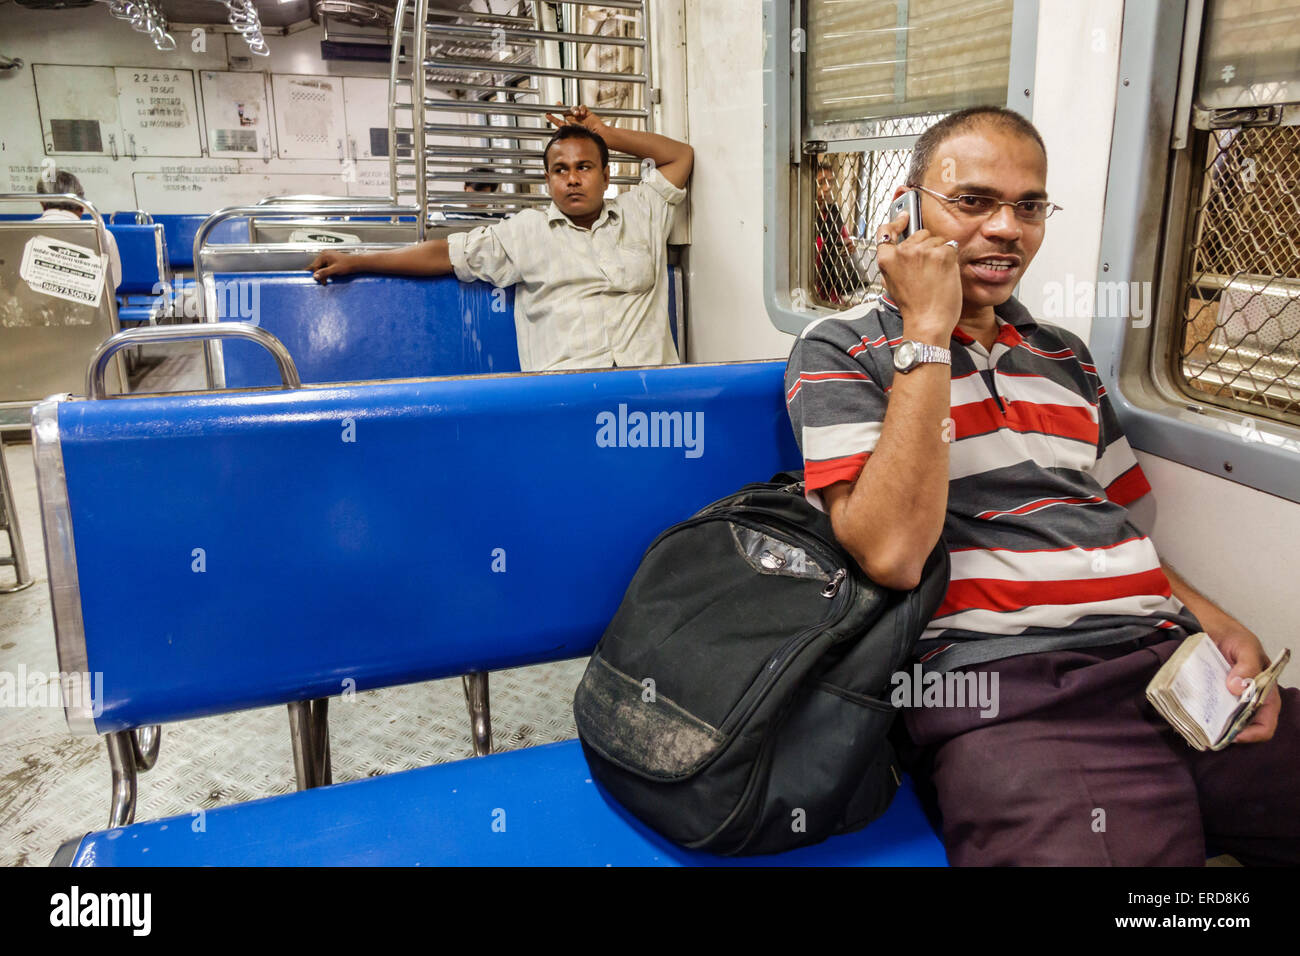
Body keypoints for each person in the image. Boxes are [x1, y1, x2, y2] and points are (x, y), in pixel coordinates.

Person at [784, 105, 1299, 866]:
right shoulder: (843, 348)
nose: (1006, 228)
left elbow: (1112, 523)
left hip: (1167, 663)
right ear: (908, 209)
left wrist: (1214, 622)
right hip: (1008, 690)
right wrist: (927, 332)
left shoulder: (1067, 357)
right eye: (972, 202)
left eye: (1029, 206)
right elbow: (891, 552)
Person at [308, 106, 694, 372]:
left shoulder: (641, 213)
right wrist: (357, 260)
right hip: (567, 399)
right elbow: (445, 254)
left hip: (653, 392)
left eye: (585, 167)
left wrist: (604, 133)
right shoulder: (525, 232)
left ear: (606, 177)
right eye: (560, 170)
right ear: (548, 181)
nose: (572, 179)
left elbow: (680, 156)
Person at [35, 169, 121, 291]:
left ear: (42, 203)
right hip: (89, 310)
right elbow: (113, 284)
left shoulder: (15, 233)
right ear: (81, 205)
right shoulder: (102, 235)